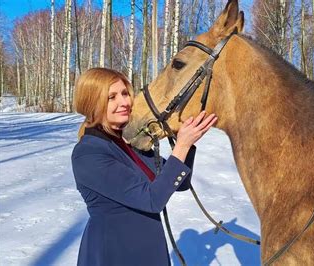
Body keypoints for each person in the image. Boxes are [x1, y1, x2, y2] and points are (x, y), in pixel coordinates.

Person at [71, 67, 217, 266]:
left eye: (125, 93)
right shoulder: (89, 154)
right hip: (115, 253)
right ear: (91, 103)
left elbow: (180, 183)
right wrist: (182, 145)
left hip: (147, 250)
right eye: (111, 97)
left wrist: (186, 144)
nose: (124, 102)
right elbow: (152, 199)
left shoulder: (128, 145)